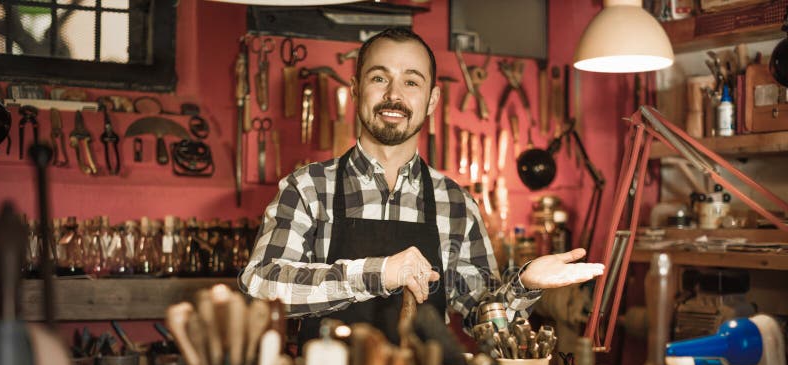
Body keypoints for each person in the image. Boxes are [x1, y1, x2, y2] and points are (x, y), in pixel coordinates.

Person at [240, 28, 604, 347]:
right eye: (379, 78)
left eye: (411, 81)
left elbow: (486, 322)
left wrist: (523, 284)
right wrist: (377, 274)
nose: (394, 95)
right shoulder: (308, 188)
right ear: (355, 89)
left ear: (431, 100)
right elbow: (261, 282)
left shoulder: (456, 203)